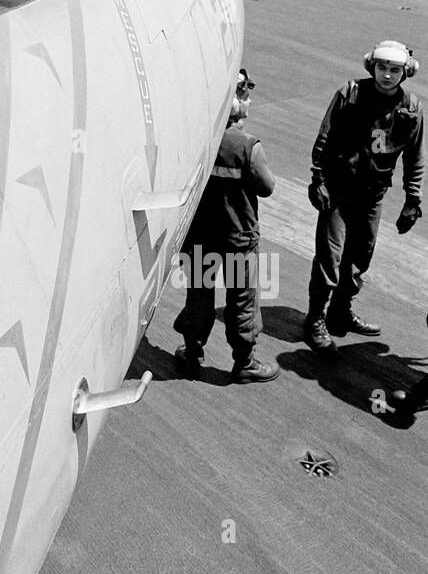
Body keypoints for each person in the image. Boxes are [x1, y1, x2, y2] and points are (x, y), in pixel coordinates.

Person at [304, 41, 424, 352]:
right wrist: (318, 179)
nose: (387, 75)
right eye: (382, 68)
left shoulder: (411, 107)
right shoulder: (350, 93)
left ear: (405, 72)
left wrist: (413, 199)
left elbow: (415, 156)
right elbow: (325, 136)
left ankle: (340, 312)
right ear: (372, 67)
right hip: (339, 191)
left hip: (373, 195)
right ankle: (315, 319)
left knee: (360, 257)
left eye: (394, 70)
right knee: (329, 258)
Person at [174, 67, 280, 384]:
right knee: (242, 302)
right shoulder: (248, 146)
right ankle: (244, 363)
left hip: (199, 238)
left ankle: (192, 353)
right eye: (245, 92)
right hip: (237, 241)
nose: (248, 98)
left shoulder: (197, 137)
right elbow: (267, 187)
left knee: (199, 297)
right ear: (237, 101)